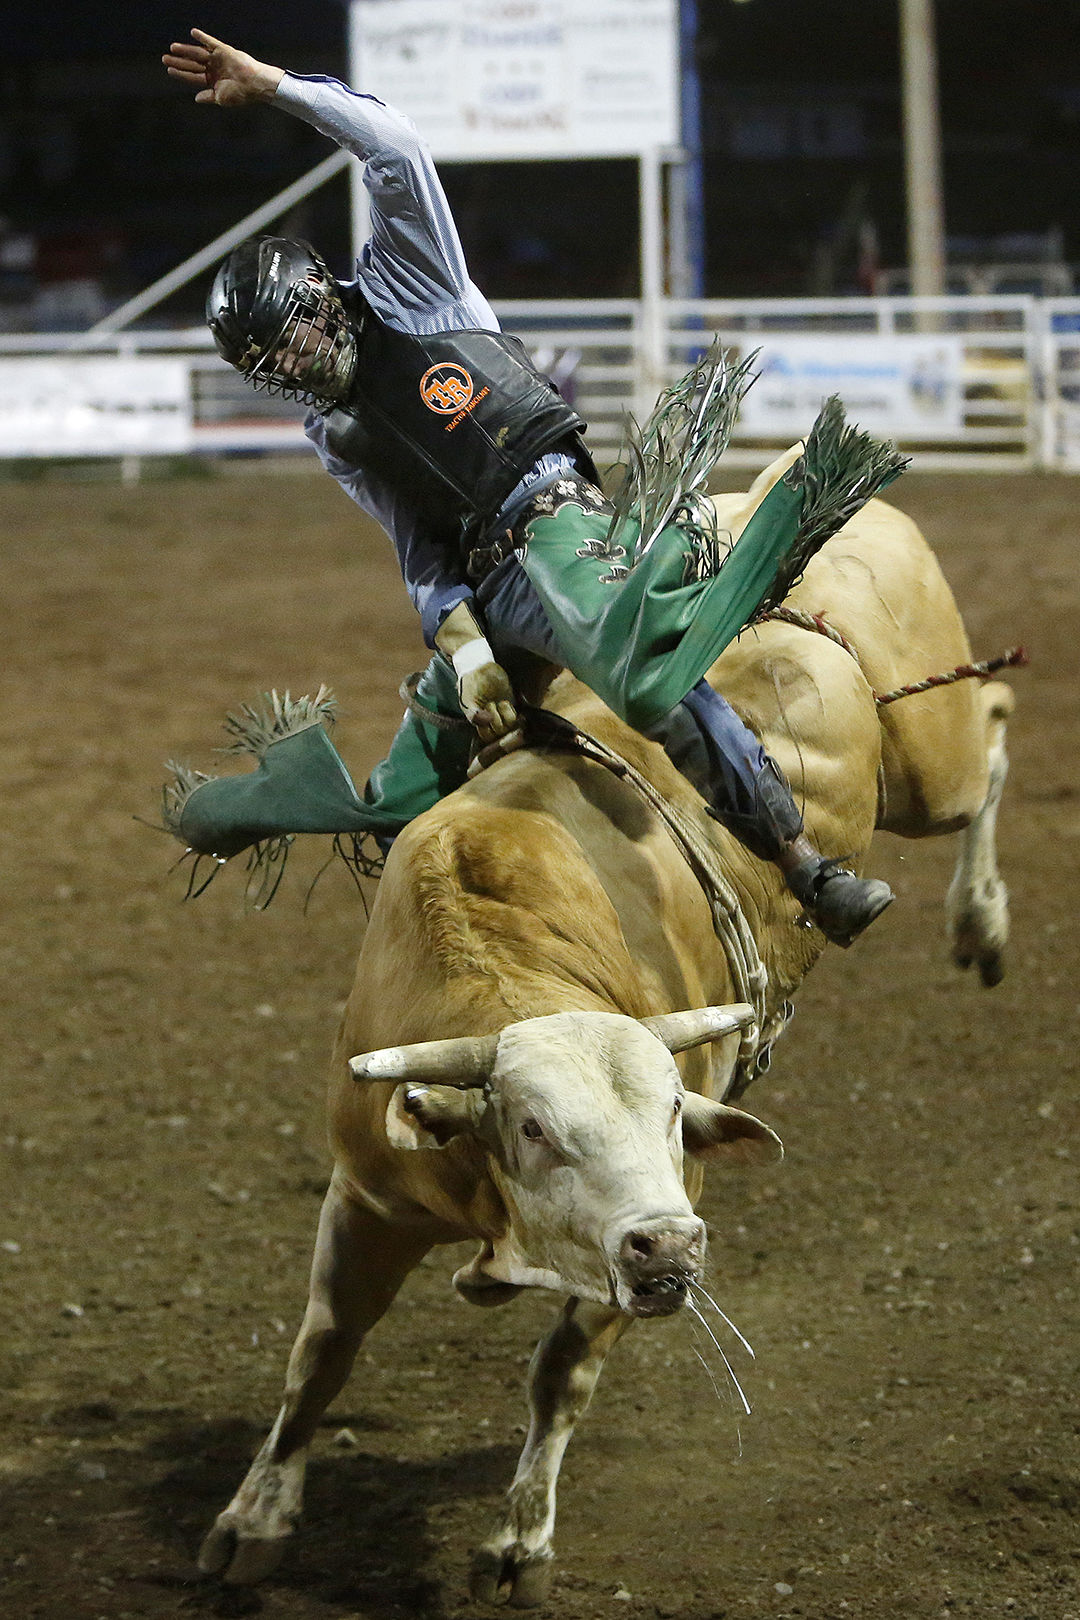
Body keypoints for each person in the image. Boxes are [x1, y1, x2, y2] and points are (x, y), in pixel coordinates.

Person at [162, 29, 898, 947]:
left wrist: (273, 87)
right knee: (405, 795)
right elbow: (416, 543)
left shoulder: (409, 286)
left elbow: (393, 150)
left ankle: (804, 869)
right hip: (487, 585)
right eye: (276, 361)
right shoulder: (335, 430)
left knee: (644, 678)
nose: (299, 361)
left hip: (556, 525)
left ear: (322, 297)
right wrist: (462, 647)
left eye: (296, 335)